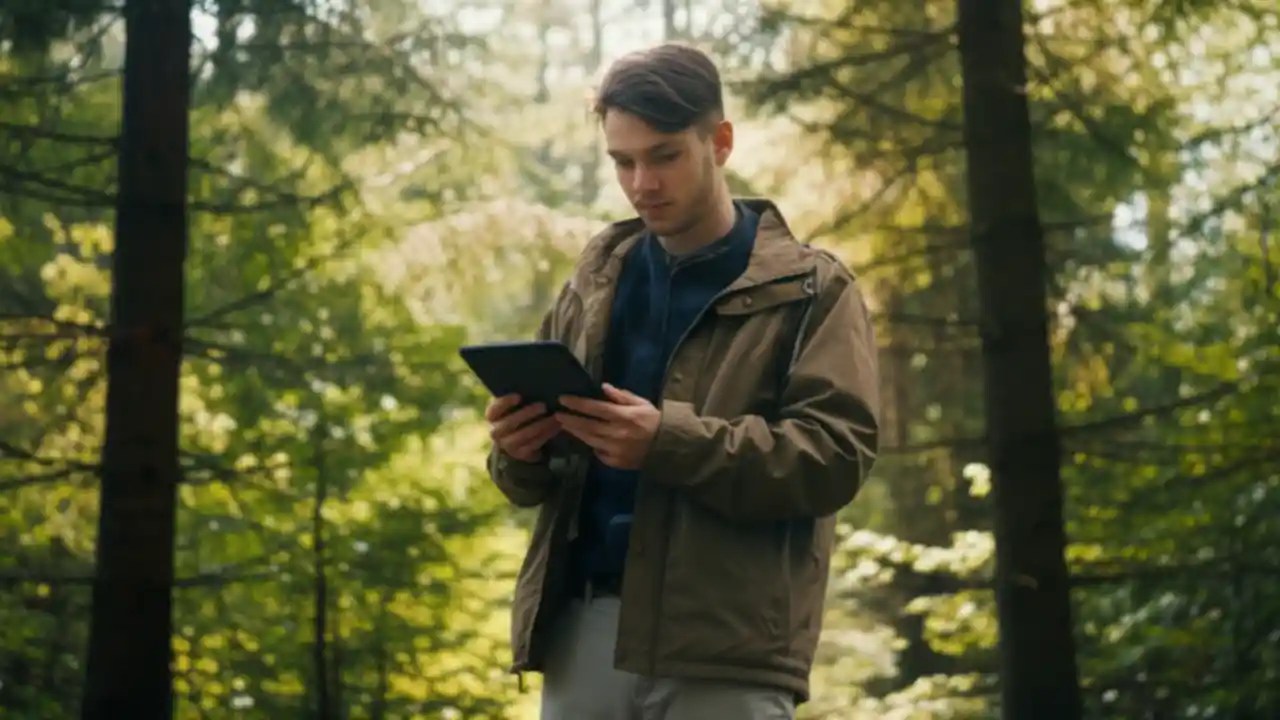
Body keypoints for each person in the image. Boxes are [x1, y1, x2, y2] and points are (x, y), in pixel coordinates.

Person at [484, 42, 880, 720]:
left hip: (726, 647)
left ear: (720, 142)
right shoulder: (592, 283)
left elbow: (834, 458)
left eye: (664, 156)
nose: (643, 183)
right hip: (584, 632)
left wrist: (665, 442)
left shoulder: (814, 289)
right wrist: (517, 453)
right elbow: (535, 480)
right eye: (623, 161)